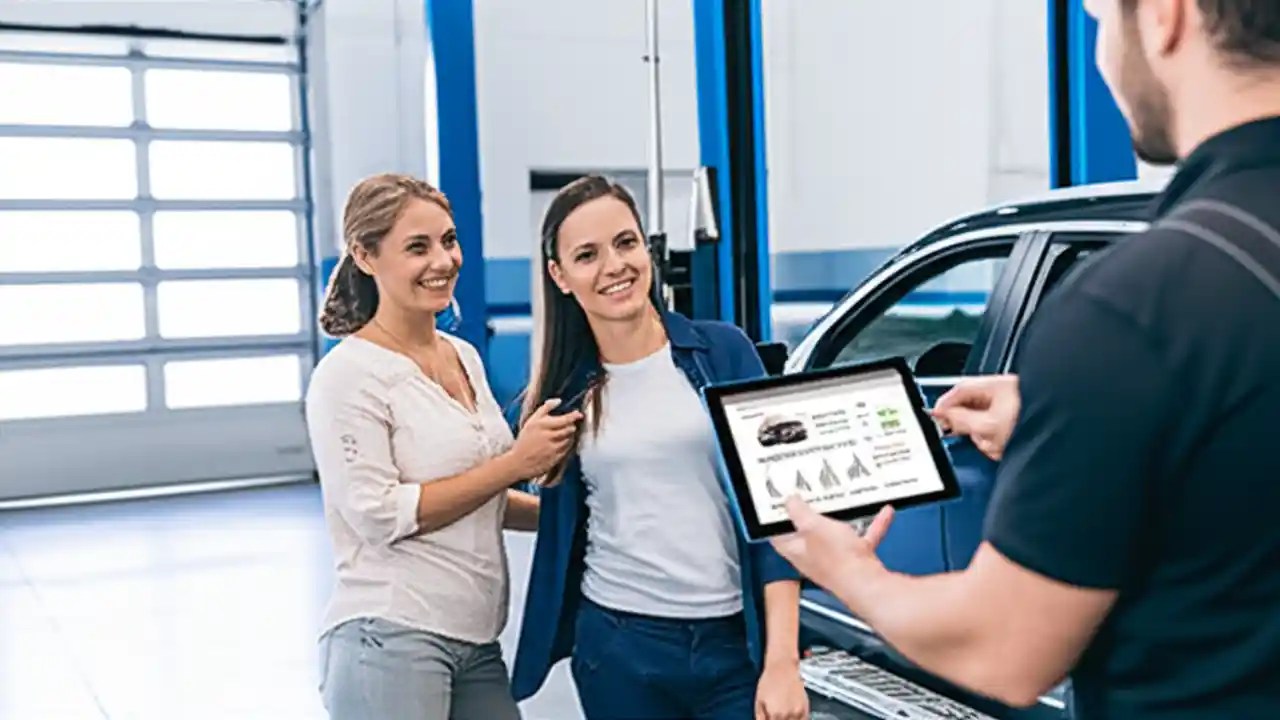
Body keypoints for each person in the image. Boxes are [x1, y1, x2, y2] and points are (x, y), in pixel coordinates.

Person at [769, 1, 1280, 718]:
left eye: (1101, 17)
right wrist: (1088, 422)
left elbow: (1002, 650)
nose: (1102, 54)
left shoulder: (1137, 305)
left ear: (1166, 16)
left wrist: (849, 571)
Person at [508, 175, 810, 720]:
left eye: (626, 243)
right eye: (587, 255)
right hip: (619, 647)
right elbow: (512, 486)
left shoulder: (724, 352)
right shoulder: (562, 395)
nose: (614, 266)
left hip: (732, 647)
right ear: (561, 276)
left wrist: (782, 660)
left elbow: (777, 513)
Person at [304, 172, 583, 719]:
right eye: (417, 247)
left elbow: (483, 498)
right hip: (389, 637)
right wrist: (515, 464)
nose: (443, 260)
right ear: (365, 254)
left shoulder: (462, 356)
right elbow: (380, 516)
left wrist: (575, 516)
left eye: (448, 240)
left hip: (476, 639)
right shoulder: (348, 375)